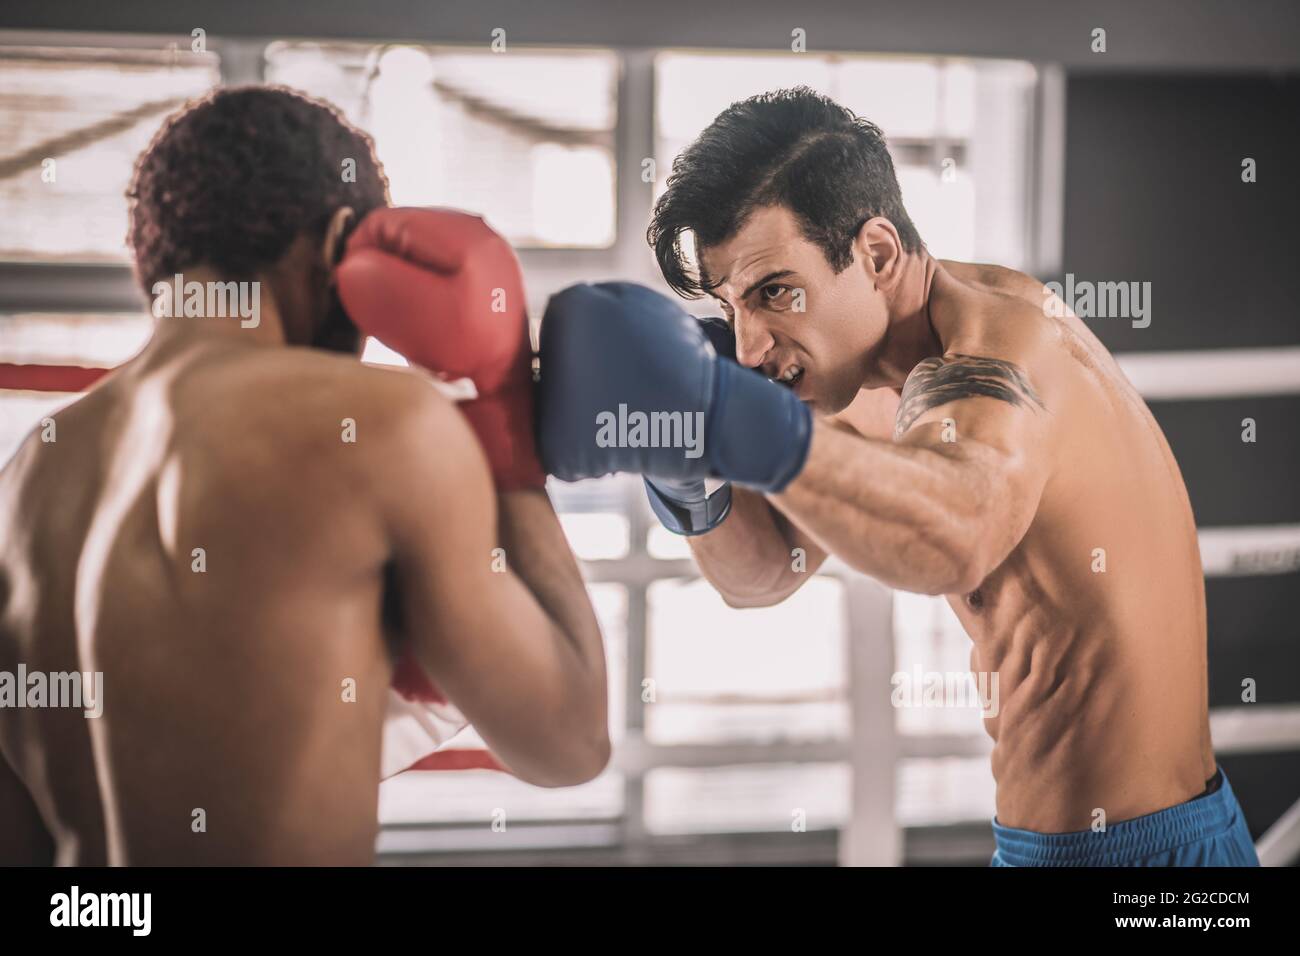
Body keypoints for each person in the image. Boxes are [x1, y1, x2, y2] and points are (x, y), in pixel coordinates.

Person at [536, 87, 1257, 866]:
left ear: (877, 254)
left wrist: (720, 412)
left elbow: (958, 536)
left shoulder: (1001, 354)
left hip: (1148, 861)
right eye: (732, 305)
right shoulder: (857, 372)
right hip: (1043, 844)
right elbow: (763, 574)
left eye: (776, 291)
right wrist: (683, 466)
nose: (748, 347)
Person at [0, 86, 609, 866]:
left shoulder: (29, 477)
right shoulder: (383, 426)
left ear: (153, 260)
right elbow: (569, 742)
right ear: (338, 248)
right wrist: (502, 416)